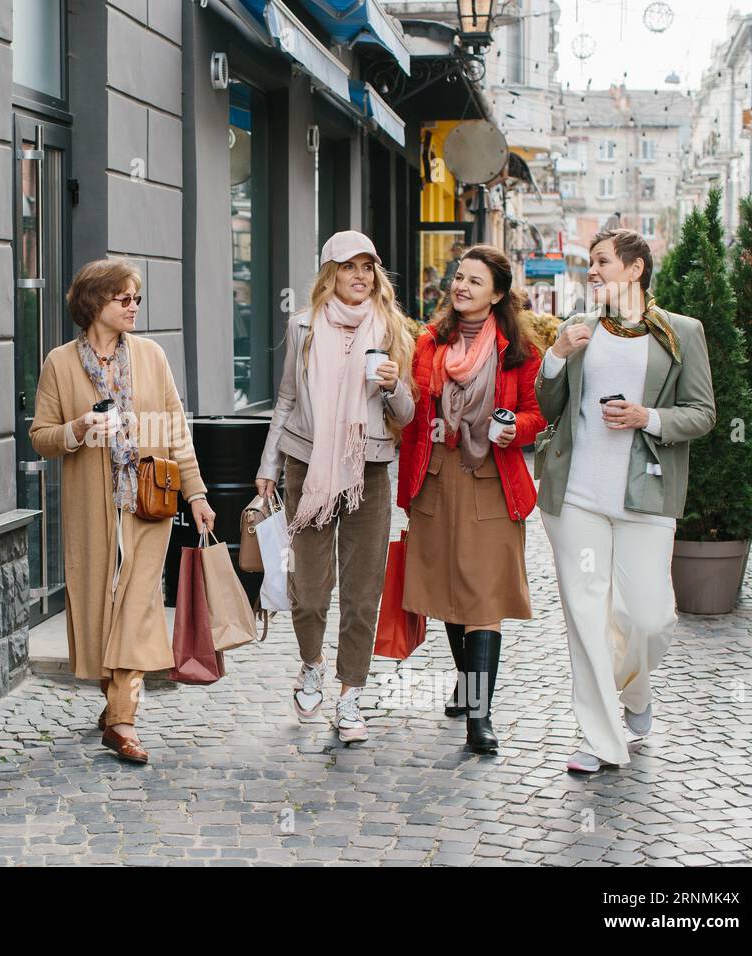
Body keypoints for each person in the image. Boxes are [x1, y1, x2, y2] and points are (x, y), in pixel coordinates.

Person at [536, 228, 715, 774]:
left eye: (602, 262)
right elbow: (549, 406)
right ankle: (598, 738)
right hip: (578, 498)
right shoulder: (578, 329)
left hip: (647, 497)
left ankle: (634, 695)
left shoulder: (681, 333)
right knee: (586, 615)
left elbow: (703, 413)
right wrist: (554, 358)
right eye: (591, 263)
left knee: (648, 619)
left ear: (635, 269)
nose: (592, 271)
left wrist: (648, 418)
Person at [29, 258, 215, 765]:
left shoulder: (151, 356)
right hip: (92, 510)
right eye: (123, 299)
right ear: (94, 303)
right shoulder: (60, 364)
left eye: (137, 299)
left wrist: (196, 495)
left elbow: (176, 429)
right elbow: (41, 437)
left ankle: (123, 722)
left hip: (147, 503)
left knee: (136, 608)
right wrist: (80, 429)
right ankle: (114, 707)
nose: (134, 307)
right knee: (98, 608)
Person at [254, 231, 416, 743]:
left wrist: (393, 387)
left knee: (364, 590)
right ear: (330, 273)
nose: (361, 276)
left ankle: (350, 695)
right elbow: (284, 399)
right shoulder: (302, 327)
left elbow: (407, 416)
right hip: (309, 465)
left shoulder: (390, 327)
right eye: (350, 267)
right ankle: (311, 664)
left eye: (368, 267)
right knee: (309, 588)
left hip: (369, 466)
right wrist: (268, 465)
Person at [397, 245, 546, 754]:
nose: (461, 287)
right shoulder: (428, 344)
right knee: (447, 593)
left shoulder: (519, 353)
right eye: (459, 277)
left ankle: (479, 718)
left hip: (491, 480)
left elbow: (536, 414)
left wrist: (512, 431)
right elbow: (412, 414)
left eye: (474, 281)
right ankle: (467, 682)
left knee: (481, 597)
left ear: (498, 294)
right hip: (436, 478)